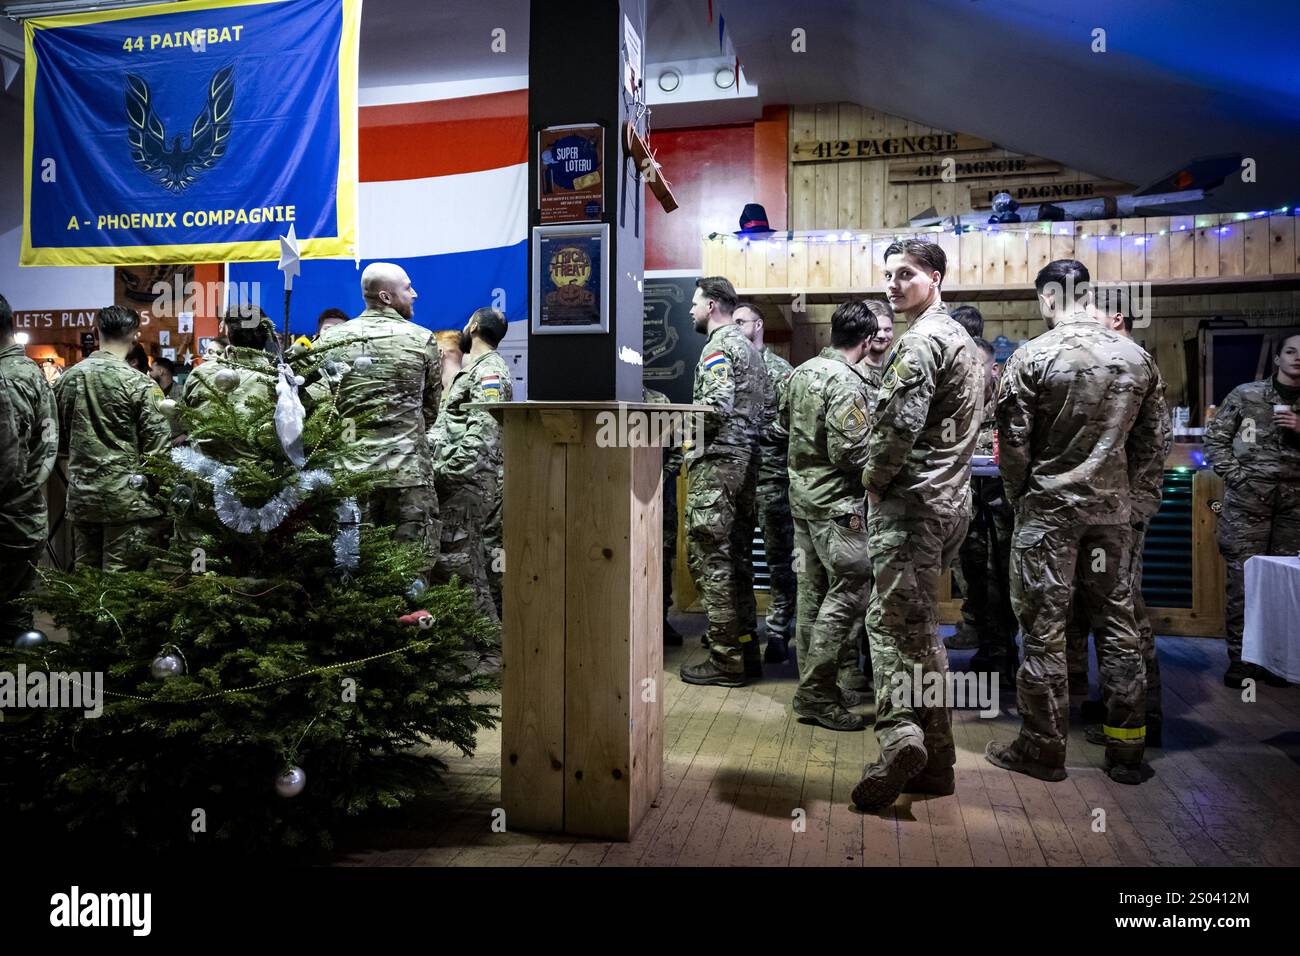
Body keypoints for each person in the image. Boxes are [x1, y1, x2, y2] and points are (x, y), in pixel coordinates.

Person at [985, 260, 1165, 787]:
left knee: (1043, 632)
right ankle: (1127, 751)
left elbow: (1012, 449)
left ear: (1046, 298)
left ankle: (1043, 749)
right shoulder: (1137, 358)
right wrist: (1138, 506)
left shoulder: (1031, 357)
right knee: (1118, 626)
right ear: (1088, 294)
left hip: (1049, 516)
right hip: (1114, 517)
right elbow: (1153, 445)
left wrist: (1022, 500)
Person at [853, 239, 982, 811]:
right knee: (921, 628)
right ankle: (938, 760)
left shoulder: (922, 342)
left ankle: (899, 737)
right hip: (952, 502)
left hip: (912, 507)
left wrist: (873, 482)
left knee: (888, 624)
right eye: (887, 276)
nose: (891, 285)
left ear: (934, 277)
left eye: (904, 275)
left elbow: (898, 428)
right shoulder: (964, 342)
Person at [1071, 304, 1173, 745]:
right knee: (1112, 611)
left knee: (1124, 612)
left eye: (1091, 311)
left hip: (1120, 513)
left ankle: (1141, 715)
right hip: (1108, 510)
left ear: (1115, 317)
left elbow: (1155, 443)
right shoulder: (1118, 361)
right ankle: (1120, 703)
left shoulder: (1133, 362)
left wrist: (1137, 508)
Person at [783, 299, 878, 731]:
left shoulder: (801, 372)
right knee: (851, 590)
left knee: (812, 593)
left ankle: (812, 688)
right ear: (866, 339)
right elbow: (849, 452)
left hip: (803, 500)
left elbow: (784, 426)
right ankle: (817, 693)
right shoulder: (847, 382)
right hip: (839, 507)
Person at [317, 263, 442, 574]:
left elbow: (321, 407)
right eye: (407, 288)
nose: (415, 294)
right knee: (411, 569)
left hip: (352, 474)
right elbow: (430, 409)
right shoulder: (422, 339)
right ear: (386, 296)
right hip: (408, 476)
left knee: (353, 569)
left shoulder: (331, 341)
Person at [679, 276, 766, 687]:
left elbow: (713, 407)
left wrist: (676, 430)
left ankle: (725, 660)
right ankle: (746, 649)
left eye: (695, 304)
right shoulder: (750, 351)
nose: (691, 311)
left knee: (710, 558)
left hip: (716, 466)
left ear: (712, 305)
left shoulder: (718, 346)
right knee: (736, 560)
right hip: (746, 467)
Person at [1203, 330, 1300, 689]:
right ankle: (1243, 663)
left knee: (1288, 586)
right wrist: (1239, 479)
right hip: (1248, 506)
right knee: (1244, 584)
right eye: (1290, 351)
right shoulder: (1247, 395)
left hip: (1295, 509)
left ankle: (1280, 664)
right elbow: (1215, 440)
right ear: (1277, 359)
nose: (1297, 358)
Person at [54, 306, 171, 572]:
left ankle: (84, 616)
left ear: (96, 332)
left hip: (84, 497)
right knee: (123, 585)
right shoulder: (141, 385)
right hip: (129, 501)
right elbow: (159, 450)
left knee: (85, 576)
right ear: (134, 335)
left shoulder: (68, 379)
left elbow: (57, 439)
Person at [430, 307, 512, 658]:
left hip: (467, 483)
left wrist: (449, 470)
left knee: (465, 564)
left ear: (474, 327)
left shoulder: (489, 370)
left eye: (466, 323)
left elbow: (485, 428)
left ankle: (489, 653)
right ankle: (486, 650)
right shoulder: (473, 371)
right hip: (460, 481)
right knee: (469, 565)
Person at [734, 301, 797, 662]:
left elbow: (790, 423)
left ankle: (777, 633)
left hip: (772, 479)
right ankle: (742, 633)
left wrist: (752, 433)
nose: (735, 327)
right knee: (737, 558)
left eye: (741, 322)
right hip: (738, 479)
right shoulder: (730, 367)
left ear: (758, 326)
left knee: (779, 561)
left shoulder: (780, 370)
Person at [954, 336, 1019, 685]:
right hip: (967, 507)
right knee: (974, 579)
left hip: (1003, 508)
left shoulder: (1008, 405)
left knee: (1004, 581)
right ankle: (989, 646)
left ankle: (1005, 652)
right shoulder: (956, 404)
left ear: (993, 369)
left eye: (976, 367)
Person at [0, 292, 58, 639]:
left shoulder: (5, 378)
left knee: (8, 623)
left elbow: (6, 465)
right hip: (24, 513)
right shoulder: (28, 370)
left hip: (8, 520)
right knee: (15, 616)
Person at [181, 306, 280, 465]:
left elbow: (182, 419)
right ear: (267, 335)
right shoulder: (278, 379)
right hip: (260, 479)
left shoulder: (200, 374)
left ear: (228, 334)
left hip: (203, 475)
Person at [644, 386, 685, 646]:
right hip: (617, 497)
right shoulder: (608, 399)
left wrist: (658, 478)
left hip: (660, 496)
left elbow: (676, 451)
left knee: (662, 554)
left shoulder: (660, 400)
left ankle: (661, 617)